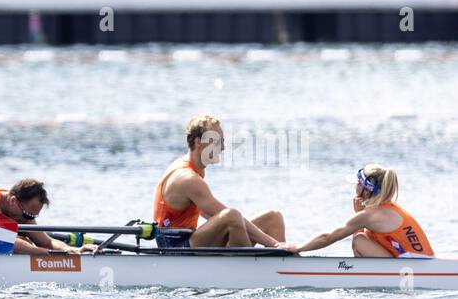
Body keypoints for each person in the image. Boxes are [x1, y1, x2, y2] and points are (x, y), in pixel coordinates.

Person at [152, 114, 297, 251]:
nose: (222, 148)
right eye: (216, 142)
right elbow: (226, 216)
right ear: (198, 142)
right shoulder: (187, 178)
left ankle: (282, 270)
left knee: (273, 218)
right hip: (175, 248)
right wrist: (275, 244)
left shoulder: (194, 169)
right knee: (231, 216)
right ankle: (251, 270)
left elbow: (210, 214)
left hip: (190, 239)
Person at [293, 165, 433, 257]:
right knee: (362, 237)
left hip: (415, 268)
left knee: (359, 240)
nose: (355, 187)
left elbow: (328, 237)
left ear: (367, 190)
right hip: (419, 262)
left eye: (358, 184)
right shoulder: (388, 208)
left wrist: (298, 248)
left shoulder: (371, 215)